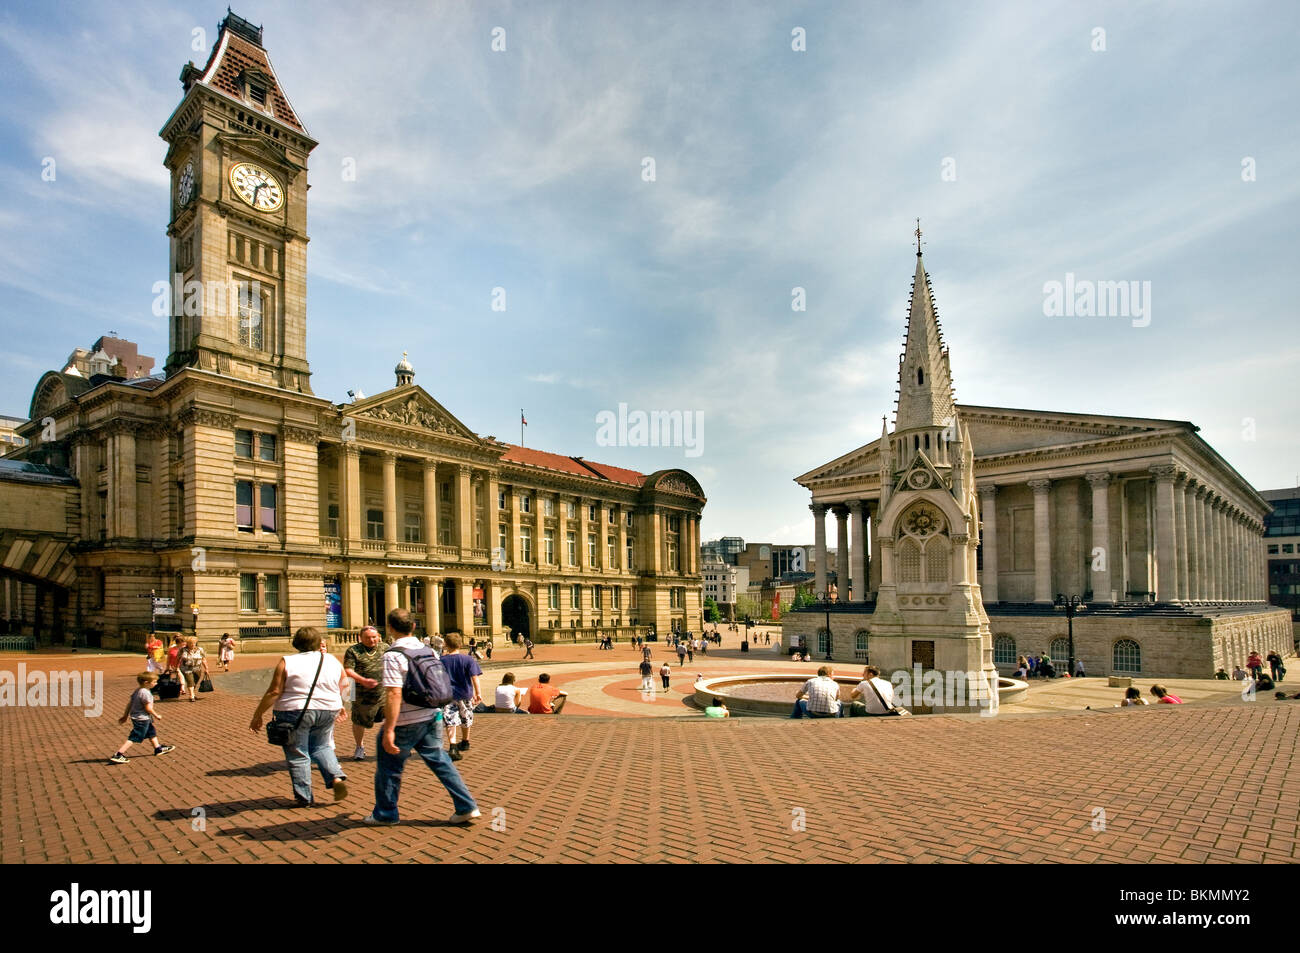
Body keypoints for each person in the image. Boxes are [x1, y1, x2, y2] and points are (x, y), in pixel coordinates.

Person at [364, 608, 479, 826]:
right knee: (441, 761)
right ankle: (467, 806)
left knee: (389, 767)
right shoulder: (429, 651)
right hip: (432, 715)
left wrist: (389, 728)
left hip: (405, 721)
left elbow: (393, 693)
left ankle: (385, 814)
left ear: (389, 628)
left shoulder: (393, 655)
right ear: (414, 627)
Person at [249, 626, 350, 807]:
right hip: (328, 708)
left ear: (296, 643)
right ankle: (335, 777)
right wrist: (342, 704)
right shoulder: (331, 659)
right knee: (322, 746)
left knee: (298, 753)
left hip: (294, 711)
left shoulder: (287, 661)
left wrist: (257, 714)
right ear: (319, 642)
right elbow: (345, 683)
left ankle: (304, 797)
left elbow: (274, 691)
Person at [109, 672, 176, 763]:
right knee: (134, 737)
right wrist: (157, 715)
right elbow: (148, 708)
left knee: (151, 732)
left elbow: (130, 704)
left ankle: (158, 748)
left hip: (140, 717)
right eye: (154, 682)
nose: (156, 683)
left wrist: (125, 716)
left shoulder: (138, 690)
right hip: (142, 719)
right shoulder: (146, 693)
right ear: (146, 682)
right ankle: (118, 754)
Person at [344, 626, 386, 760]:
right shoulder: (353, 651)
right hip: (362, 695)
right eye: (367, 637)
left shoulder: (385, 647)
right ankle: (359, 747)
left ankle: (390, 745)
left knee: (392, 718)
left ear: (378, 636)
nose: (371, 640)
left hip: (383, 694)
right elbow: (348, 670)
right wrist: (363, 680)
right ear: (360, 638)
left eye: (374, 637)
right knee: (359, 722)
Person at [439, 630, 483, 760]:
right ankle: (465, 741)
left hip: (448, 695)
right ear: (460, 644)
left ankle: (452, 745)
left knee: (450, 719)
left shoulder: (441, 660)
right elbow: (475, 677)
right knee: (466, 717)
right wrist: (478, 693)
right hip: (465, 693)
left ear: (446, 644)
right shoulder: (468, 659)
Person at [178, 636, 210, 703]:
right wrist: (176, 667)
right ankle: (191, 696)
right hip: (186, 668)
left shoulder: (200, 649)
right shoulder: (182, 650)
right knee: (190, 681)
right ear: (187, 643)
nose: (192, 645)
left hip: (197, 668)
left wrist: (206, 668)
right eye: (190, 643)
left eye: (194, 643)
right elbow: (177, 658)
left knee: (195, 682)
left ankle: (193, 693)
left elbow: (203, 659)